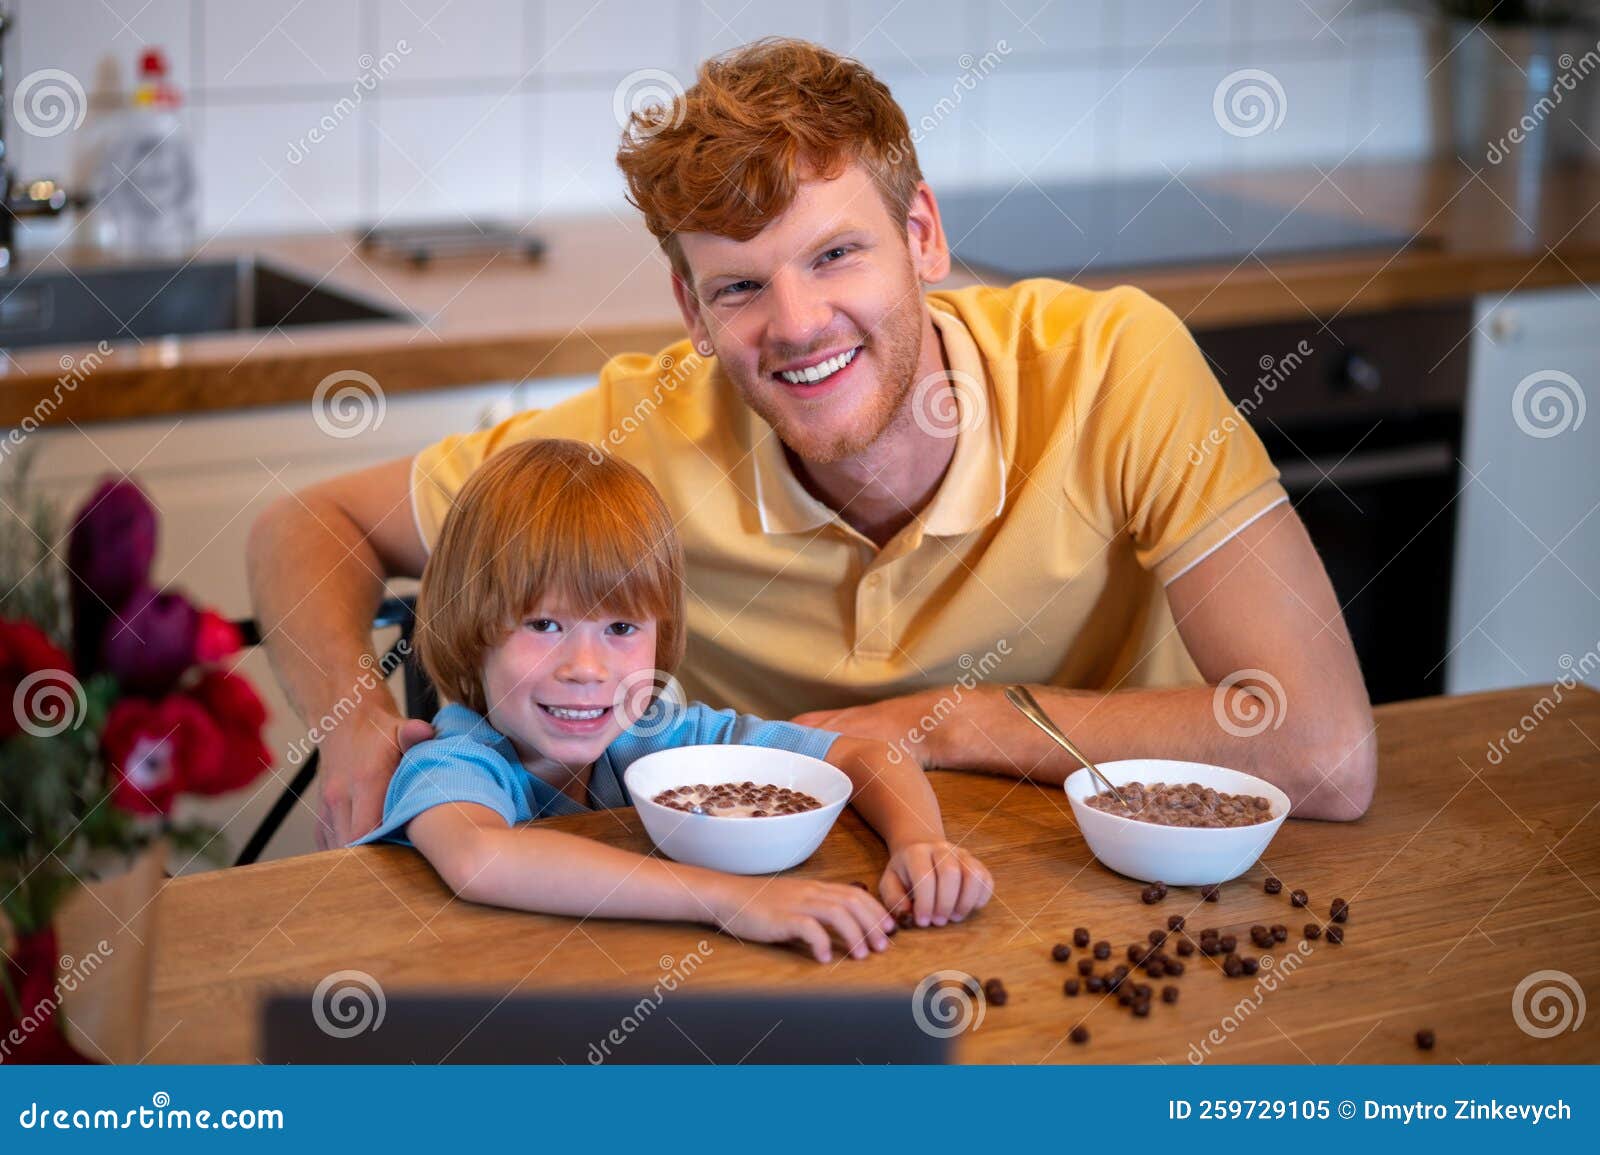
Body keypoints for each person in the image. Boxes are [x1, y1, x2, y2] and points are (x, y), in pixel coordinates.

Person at [248, 38, 1376, 851]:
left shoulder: (1113, 364)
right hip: (790, 920)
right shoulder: (630, 439)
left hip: (1112, 877)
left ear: (921, 236)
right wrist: (352, 722)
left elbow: (1322, 750)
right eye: (739, 285)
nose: (794, 324)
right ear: (692, 314)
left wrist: (946, 721)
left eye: (836, 256)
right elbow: (309, 522)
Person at [350, 438, 992, 962]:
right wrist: (732, 900)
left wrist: (919, 844)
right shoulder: (454, 760)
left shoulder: (654, 741)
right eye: (544, 625)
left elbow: (863, 754)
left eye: (622, 628)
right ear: (470, 627)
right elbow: (481, 857)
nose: (586, 668)